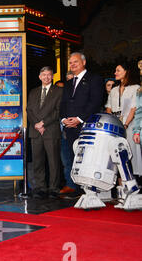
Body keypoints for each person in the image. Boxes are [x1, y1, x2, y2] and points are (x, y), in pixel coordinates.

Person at [59, 52, 104, 198]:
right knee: (70, 158)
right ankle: (73, 187)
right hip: (68, 127)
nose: (72, 65)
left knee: (86, 158)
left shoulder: (94, 79)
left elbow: (96, 102)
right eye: (70, 62)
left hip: (86, 126)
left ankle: (87, 189)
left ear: (83, 62)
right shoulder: (68, 83)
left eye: (75, 62)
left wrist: (79, 118)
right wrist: (63, 119)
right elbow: (63, 104)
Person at [27, 66, 63, 199]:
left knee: (53, 161)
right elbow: (29, 110)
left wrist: (43, 123)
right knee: (37, 161)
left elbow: (58, 111)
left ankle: (54, 188)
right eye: (44, 75)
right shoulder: (33, 92)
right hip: (35, 131)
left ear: (52, 76)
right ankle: (40, 187)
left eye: (49, 74)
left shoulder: (59, 91)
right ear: (39, 77)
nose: (46, 77)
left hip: (51, 130)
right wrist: (36, 124)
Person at [106, 63, 142, 176]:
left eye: (118, 70)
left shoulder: (135, 88)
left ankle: (135, 179)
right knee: (116, 153)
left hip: (129, 124)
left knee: (131, 152)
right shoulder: (114, 90)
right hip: (115, 125)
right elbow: (109, 107)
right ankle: (120, 182)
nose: (115, 73)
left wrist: (125, 125)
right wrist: (113, 123)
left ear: (126, 72)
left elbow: (134, 108)